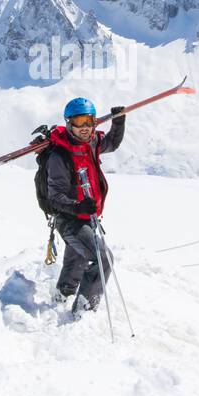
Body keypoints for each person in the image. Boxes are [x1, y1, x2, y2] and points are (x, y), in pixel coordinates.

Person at [42, 97, 126, 314]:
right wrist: (78, 206)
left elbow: (112, 143)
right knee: (102, 258)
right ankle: (84, 310)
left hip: (86, 218)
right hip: (69, 219)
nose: (85, 128)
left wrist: (118, 123)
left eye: (89, 121)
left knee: (77, 259)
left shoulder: (92, 144)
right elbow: (55, 196)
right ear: (69, 123)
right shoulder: (59, 156)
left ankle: (62, 296)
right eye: (79, 122)